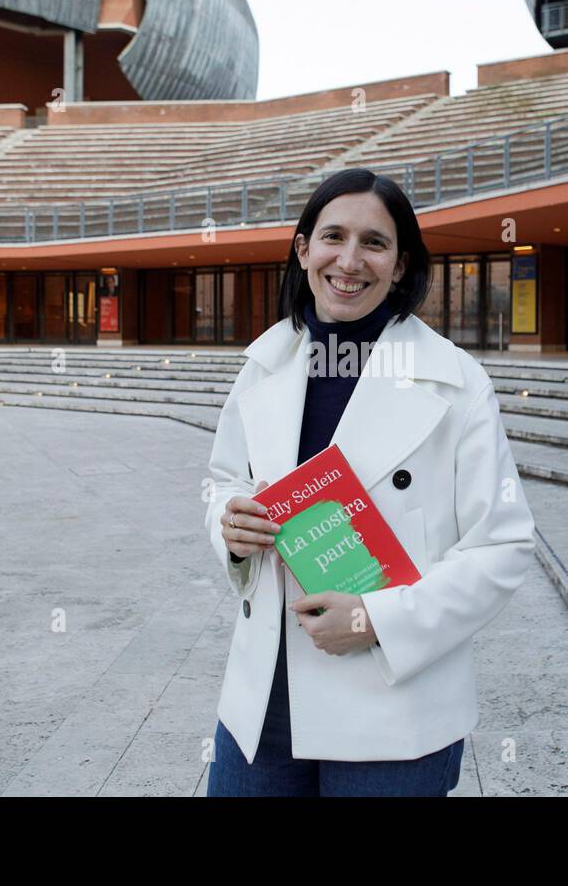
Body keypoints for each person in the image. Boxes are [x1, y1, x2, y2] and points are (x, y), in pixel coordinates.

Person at [203, 167, 536, 796]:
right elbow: (223, 480)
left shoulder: (456, 382)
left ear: (402, 264)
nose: (349, 261)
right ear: (303, 250)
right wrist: (231, 523)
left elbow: (503, 545)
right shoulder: (264, 365)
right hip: (264, 698)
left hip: (392, 706)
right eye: (333, 236)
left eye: (375, 243)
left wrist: (377, 619)